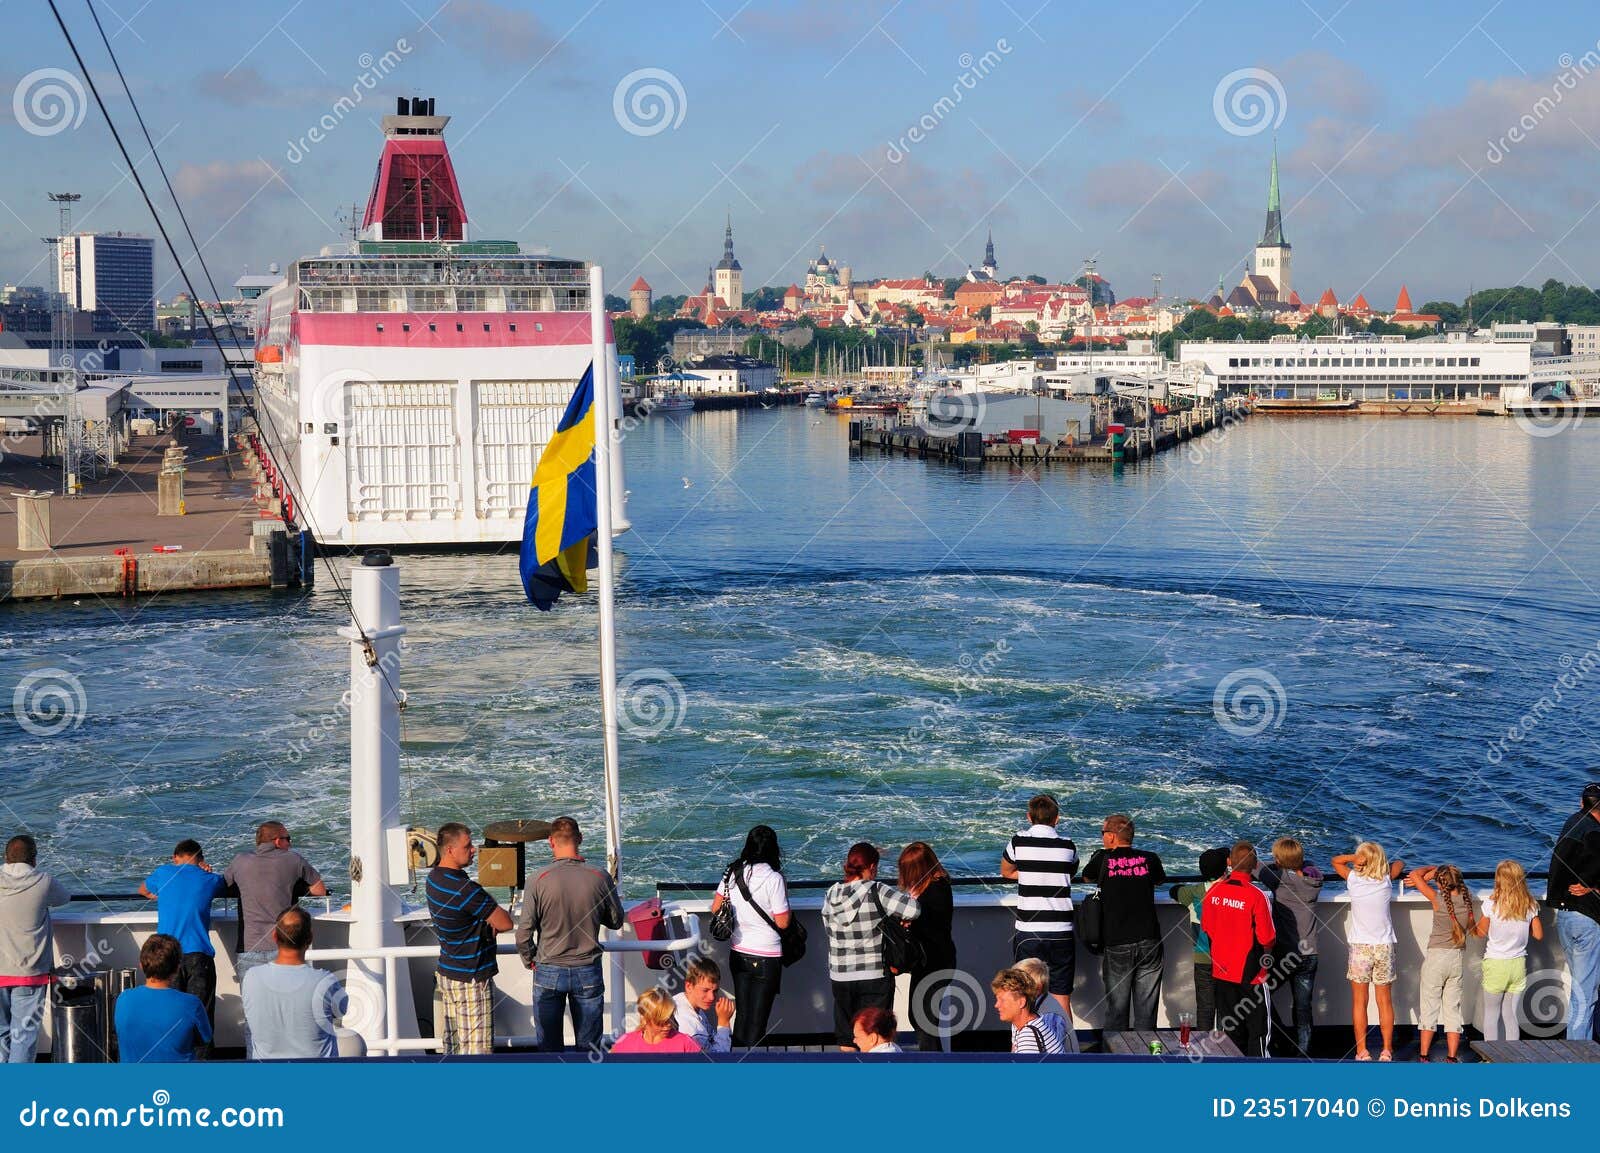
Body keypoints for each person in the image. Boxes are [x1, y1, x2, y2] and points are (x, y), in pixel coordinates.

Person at [515, 816, 624, 1052]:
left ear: (551, 842)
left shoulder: (537, 879)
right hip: (588, 970)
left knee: (549, 1047)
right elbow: (616, 921)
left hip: (548, 970)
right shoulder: (600, 877)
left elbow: (523, 932)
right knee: (589, 1048)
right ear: (580, 839)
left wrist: (530, 960)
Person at [821, 842, 921, 1051]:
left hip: (840, 976)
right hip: (873, 975)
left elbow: (827, 927)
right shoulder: (876, 889)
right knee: (877, 1037)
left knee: (848, 1038)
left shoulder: (832, 893)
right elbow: (913, 910)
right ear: (872, 867)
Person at [425, 822, 513, 1056]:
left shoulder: (433, 880)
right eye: (468, 846)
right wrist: (487, 918)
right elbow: (505, 923)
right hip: (471, 980)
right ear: (450, 850)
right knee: (478, 1053)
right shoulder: (467, 890)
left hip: (447, 973)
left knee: (453, 1049)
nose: (474, 849)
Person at [1080, 813, 1166, 1030]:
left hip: (1117, 941)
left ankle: (1115, 1059)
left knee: (1117, 1011)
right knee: (1146, 1013)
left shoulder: (1102, 859)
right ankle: (1145, 1059)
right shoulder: (1150, 859)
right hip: (1149, 939)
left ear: (1111, 837)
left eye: (1102, 833)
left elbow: (1087, 877)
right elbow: (1159, 879)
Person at [708, 824, 792, 1047]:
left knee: (743, 1016)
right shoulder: (774, 879)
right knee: (758, 1022)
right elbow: (783, 922)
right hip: (767, 956)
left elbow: (716, 907)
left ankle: (735, 1058)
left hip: (738, 952)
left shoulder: (732, 872)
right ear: (774, 849)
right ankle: (750, 1065)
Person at [139, 839, 227, 1048]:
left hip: (168, 956)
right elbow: (224, 886)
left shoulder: (163, 873)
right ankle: (201, 1066)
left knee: (169, 1017)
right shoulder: (209, 879)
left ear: (175, 857)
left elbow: (142, 889)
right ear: (200, 859)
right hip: (199, 955)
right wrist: (206, 871)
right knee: (201, 1018)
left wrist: (159, 896)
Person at [1000, 794, 1078, 1022]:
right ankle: (1064, 1052)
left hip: (1029, 931)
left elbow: (1006, 871)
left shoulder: (1018, 842)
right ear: (1057, 819)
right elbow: (1069, 872)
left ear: (1029, 817)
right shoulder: (1068, 845)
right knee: (1061, 997)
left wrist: (1028, 874)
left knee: (1023, 996)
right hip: (1061, 931)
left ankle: (1027, 1051)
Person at [223, 821, 326, 984]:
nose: (290, 843)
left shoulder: (239, 860)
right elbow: (320, 890)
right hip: (283, 947)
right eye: (288, 839)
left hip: (249, 946)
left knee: (253, 1005)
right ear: (277, 841)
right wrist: (295, 887)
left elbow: (223, 885)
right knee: (287, 1002)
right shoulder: (293, 859)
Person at [1201, 841, 1276, 1058]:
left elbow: (1208, 928)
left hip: (1221, 969)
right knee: (1259, 1031)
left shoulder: (1215, 891)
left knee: (1229, 1030)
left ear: (1230, 863)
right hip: (1250, 973)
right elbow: (1267, 938)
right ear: (1254, 866)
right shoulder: (1256, 896)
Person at [1332, 840, 1404, 1061]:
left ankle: (1361, 1051)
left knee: (1359, 1001)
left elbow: (1335, 860)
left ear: (1361, 861)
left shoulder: (1354, 880)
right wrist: (1380, 863)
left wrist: (1354, 859)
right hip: (1383, 947)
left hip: (1360, 948)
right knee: (1385, 1001)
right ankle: (1387, 1050)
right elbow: (1400, 863)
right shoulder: (1385, 881)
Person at [0, 834, 69, 1064]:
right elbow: (64, 898)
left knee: (2, 1033)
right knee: (24, 1036)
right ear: (34, 860)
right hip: (30, 973)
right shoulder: (44, 881)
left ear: (5, 857)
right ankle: (16, 1091)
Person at [1257, 837, 1325, 1058]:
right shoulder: (1316, 879)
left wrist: (1275, 863)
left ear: (1278, 860)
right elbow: (1310, 867)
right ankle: (1303, 1053)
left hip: (1286, 954)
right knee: (1303, 1007)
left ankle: (1278, 1039)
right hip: (1310, 954)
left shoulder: (1278, 877)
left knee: (1260, 994)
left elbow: (1252, 864)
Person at [240, 908, 339, 1059]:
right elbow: (342, 1010)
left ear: (274, 936)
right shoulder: (325, 981)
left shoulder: (251, 977)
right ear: (310, 938)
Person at [1546, 782, 1600, 1041]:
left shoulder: (1572, 824)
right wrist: (1592, 887)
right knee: (1586, 991)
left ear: (1582, 803)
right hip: (1587, 917)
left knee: (1582, 985)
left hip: (1565, 914)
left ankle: (1583, 1043)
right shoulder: (1595, 834)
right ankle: (1579, 1052)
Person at [1406, 863, 1474, 1062]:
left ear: (1440, 883)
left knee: (1429, 1007)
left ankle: (1424, 1055)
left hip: (1436, 958)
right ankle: (1452, 1057)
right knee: (1453, 1010)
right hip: (1456, 958)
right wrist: (1442, 874)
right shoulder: (1466, 898)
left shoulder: (1437, 900)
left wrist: (1432, 869)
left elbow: (1414, 874)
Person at [114, 933, 212, 1063]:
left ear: (141, 965)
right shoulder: (192, 1004)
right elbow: (205, 1039)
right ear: (177, 968)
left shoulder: (123, 999)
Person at [1476, 859, 1544, 1042]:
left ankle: (1490, 1059)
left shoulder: (1491, 905)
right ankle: (1512, 1057)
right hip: (1518, 965)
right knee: (1510, 1015)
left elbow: (1479, 933)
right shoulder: (1529, 905)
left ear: (1498, 880)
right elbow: (1538, 934)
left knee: (1491, 1015)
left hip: (1496, 964)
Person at [899, 840, 957, 1052]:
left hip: (935, 962)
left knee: (924, 1020)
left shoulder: (933, 891)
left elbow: (928, 926)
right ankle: (936, 1061)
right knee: (921, 1018)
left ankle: (933, 1065)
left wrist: (906, 924)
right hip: (934, 960)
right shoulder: (934, 886)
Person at [1169, 847, 1231, 1035]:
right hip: (1228, 960)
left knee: (1205, 1006)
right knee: (1225, 1006)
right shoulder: (1233, 892)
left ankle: (1204, 1045)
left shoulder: (1195, 892)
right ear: (1224, 869)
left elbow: (1174, 890)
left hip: (1203, 957)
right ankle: (1225, 1044)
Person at [991, 967, 1070, 1054]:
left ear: (1021, 1002)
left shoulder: (1028, 1035)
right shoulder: (1032, 1023)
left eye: (1002, 1000)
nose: (996, 1005)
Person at [1015, 956, 1080, 1052]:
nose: (1013, 988)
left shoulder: (1049, 1017)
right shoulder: (1022, 1005)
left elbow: (1055, 1059)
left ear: (1038, 988)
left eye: (1019, 984)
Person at [609, 987, 701, 1054]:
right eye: (661, 1021)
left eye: (671, 1018)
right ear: (645, 1018)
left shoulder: (686, 1043)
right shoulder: (625, 1044)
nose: (668, 1025)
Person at [672, 956, 734, 1053]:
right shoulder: (690, 1028)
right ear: (689, 986)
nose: (712, 997)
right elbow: (718, 1061)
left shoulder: (684, 1001)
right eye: (705, 990)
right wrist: (724, 1022)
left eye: (715, 991)